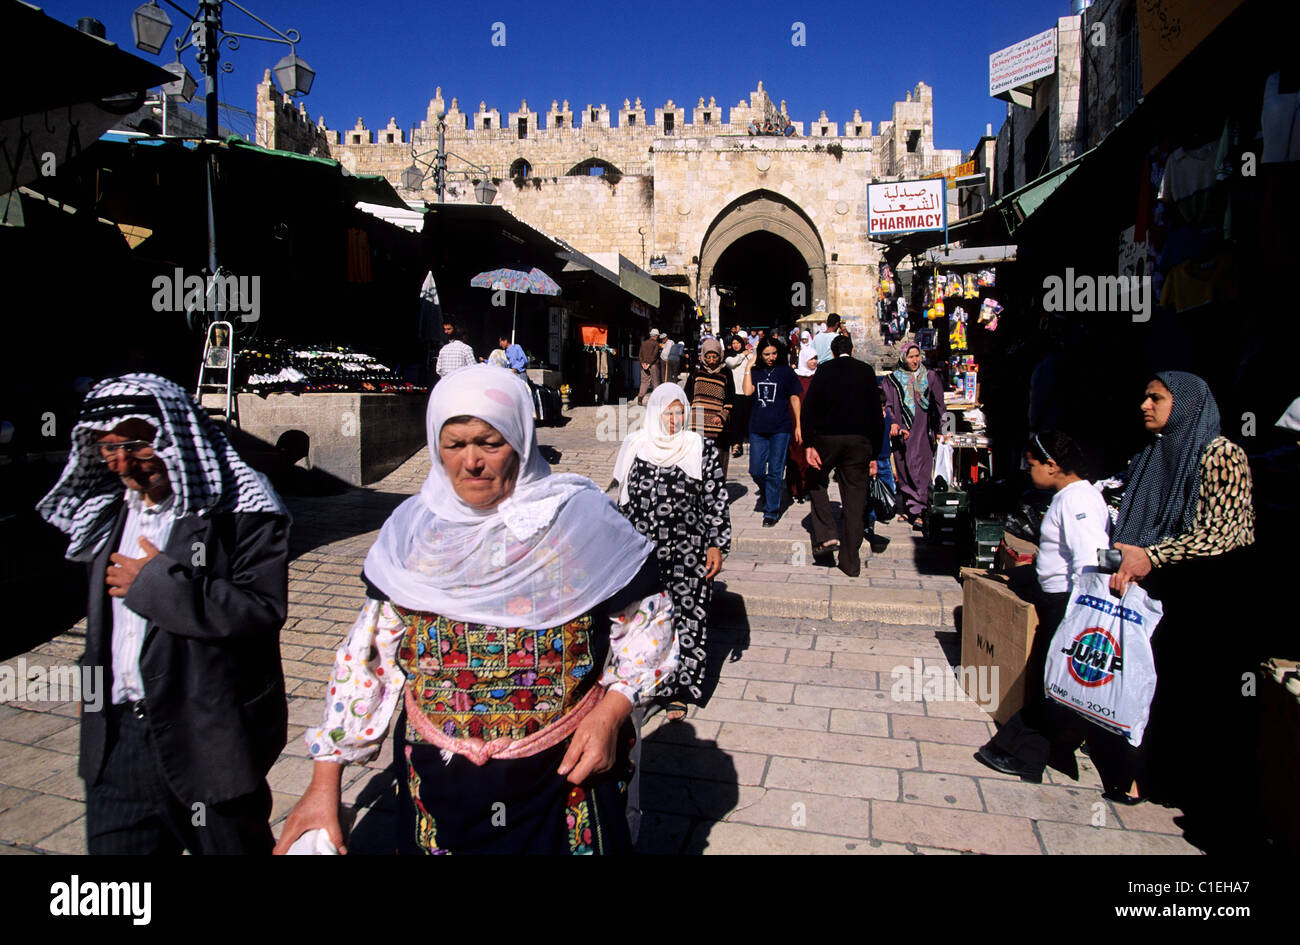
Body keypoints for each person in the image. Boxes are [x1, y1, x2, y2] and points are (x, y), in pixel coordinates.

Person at [276, 366, 676, 855]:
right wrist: (324, 783)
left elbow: (648, 626)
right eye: (454, 444)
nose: (471, 462)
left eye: (490, 442)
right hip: (440, 789)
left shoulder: (579, 524)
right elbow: (368, 662)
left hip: (564, 777)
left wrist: (612, 713)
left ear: (522, 441)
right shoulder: (411, 536)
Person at [36, 373, 291, 854]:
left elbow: (260, 611)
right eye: (108, 448)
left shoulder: (239, 508)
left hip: (206, 735)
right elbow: (103, 631)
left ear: (173, 434)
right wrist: (93, 698)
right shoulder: (110, 509)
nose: (124, 464)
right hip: (117, 744)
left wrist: (155, 584)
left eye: (136, 444)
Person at [1104, 372, 1255, 819]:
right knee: (1145, 684)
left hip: (1201, 596)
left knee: (1187, 692)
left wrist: (1154, 554)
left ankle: (1177, 783)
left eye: (1156, 398)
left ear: (1186, 404)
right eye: (1145, 396)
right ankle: (1140, 769)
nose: (1144, 405)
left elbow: (1226, 534)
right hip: (1151, 593)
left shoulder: (1221, 455)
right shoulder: (1154, 453)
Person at [973, 431, 1120, 787]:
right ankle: (1034, 752)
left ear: (1053, 466)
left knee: (1050, 681)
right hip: (1057, 596)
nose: (1028, 470)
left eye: (1032, 464)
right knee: (1048, 678)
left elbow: (1090, 558)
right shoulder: (1072, 496)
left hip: (1067, 603)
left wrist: (1080, 611)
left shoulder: (1077, 501)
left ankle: (1021, 750)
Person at [612, 384, 730, 722]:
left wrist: (716, 543)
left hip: (688, 551)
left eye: (680, 411)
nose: (675, 419)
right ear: (655, 413)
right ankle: (647, 686)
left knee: (687, 618)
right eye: (669, 411)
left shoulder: (699, 447)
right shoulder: (636, 444)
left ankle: (680, 690)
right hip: (643, 552)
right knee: (646, 620)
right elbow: (621, 498)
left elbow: (715, 500)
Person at [801, 334, 882, 576]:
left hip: (827, 440)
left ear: (833, 352)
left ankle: (826, 534)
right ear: (853, 350)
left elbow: (809, 408)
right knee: (855, 500)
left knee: (815, 479)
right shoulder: (866, 371)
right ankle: (850, 562)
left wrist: (808, 444)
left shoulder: (824, 370)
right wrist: (875, 453)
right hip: (859, 442)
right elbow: (876, 415)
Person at [882, 344, 943, 525]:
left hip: (922, 429)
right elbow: (889, 405)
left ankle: (920, 508)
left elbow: (940, 406)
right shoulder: (892, 380)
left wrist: (943, 431)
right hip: (901, 430)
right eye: (911, 357)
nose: (915, 360)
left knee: (920, 467)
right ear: (903, 358)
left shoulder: (930, 377)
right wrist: (893, 423)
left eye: (917, 356)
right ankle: (910, 507)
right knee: (903, 467)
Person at [745, 338, 802, 527]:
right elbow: (747, 392)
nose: (771, 358)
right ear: (760, 354)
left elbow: (794, 398)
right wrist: (749, 365)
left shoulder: (786, 372)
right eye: (767, 354)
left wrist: (798, 425)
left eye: (774, 353)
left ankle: (771, 511)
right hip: (758, 428)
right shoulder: (756, 371)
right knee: (756, 470)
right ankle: (767, 491)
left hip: (781, 428)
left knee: (776, 471)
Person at [685, 337, 736, 478]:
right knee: (698, 461)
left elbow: (731, 397)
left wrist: (723, 415)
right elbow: (687, 394)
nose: (712, 360)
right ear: (703, 356)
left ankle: (717, 494)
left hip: (718, 425)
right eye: (708, 357)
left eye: (715, 357)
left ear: (720, 356)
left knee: (718, 461)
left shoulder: (726, 373)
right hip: (698, 424)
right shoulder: (696, 372)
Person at [786, 334, 819, 503]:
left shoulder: (818, 377)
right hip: (796, 421)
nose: (814, 362)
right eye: (811, 359)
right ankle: (794, 487)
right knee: (796, 453)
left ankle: (808, 487)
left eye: (816, 358)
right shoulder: (796, 377)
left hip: (813, 422)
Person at [867, 388, 898, 542]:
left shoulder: (886, 417)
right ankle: (872, 516)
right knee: (872, 490)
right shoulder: (870, 418)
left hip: (884, 456)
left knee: (887, 486)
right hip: (874, 458)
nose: (882, 408)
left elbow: (892, 428)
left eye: (884, 405)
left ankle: (885, 510)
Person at [724, 334, 756, 460]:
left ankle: (749, 444)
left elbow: (754, 362)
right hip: (735, 392)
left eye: (738, 342)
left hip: (748, 391)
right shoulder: (729, 356)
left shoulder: (748, 354)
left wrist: (749, 353)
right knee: (736, 420)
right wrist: (743, 354)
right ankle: (736, 445)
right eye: (734, 343)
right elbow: (732, 363)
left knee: (748, 418)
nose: (735, 345)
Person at [637, 329, 662, 405]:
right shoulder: (656, 344)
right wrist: (649, 363)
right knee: (655, 382)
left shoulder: (644, 343)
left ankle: (640, 398)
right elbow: (655, 355)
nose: (657, 337)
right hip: (653, 365)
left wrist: (643, 363)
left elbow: (640, 354)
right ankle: (655, 400)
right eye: (657, 336)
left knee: (644, 382)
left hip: (644, 365)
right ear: (655, 336)